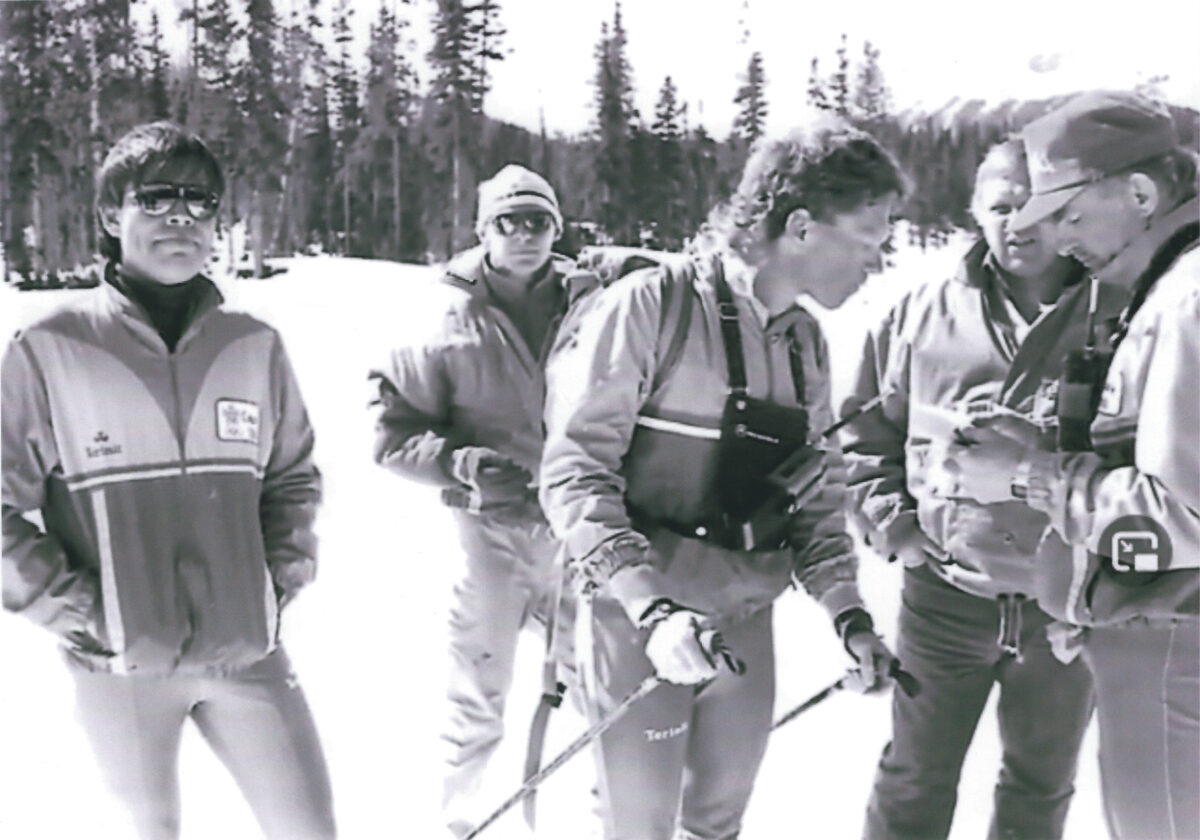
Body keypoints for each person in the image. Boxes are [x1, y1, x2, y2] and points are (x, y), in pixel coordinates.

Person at [539, 116, 905, 840]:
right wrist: (652, 610)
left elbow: (816, 501)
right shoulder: (654, 308)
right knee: (638, 828)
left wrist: (851, 619)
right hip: (636, 622)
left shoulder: (804, 343)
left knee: (716, 823)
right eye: (868, 240)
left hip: (743, 618)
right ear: (799, 227)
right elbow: (575, 473)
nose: (877, 263)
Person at [1, 121, 335, 839]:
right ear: (109, 215)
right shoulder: (51, 348)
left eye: (200, 200)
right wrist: (81, 611)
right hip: (121, 671)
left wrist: (277, 582)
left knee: (310, 831)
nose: (181, 215)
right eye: (156, 198)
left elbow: (292, 479)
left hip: (249, 654)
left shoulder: (253, 344)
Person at [944, 90, 1199, 840]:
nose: (1055, 238)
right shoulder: (1164, 290)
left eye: (1069, 214)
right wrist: (1088, 586)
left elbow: (1180, 520)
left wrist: (1026, 476)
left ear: (1141, 194)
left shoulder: (1186, 301)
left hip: (1174, 648)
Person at [842, 138, 1101, 840]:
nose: (1019, 224)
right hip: (945, 602)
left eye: (1038, 206)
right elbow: (862, 436)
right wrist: (895, 525)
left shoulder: (1115, 314)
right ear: (975, 211)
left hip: (1065, 607)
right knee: (914, 775)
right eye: (1002, 206)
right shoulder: (919, 315)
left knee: (1041, 782)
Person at [368, 164, 578, 838]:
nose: (525, 234)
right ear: (483, 229)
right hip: (488, 533)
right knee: (478, 689)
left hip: (583, 529)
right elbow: (390, 432)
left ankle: (588, 816)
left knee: (597, 682)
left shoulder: (594, 303)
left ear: (557, 228)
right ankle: (462, 821)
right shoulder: (442, 315)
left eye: (539, 220)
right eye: (508, 221)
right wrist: (459, 464)